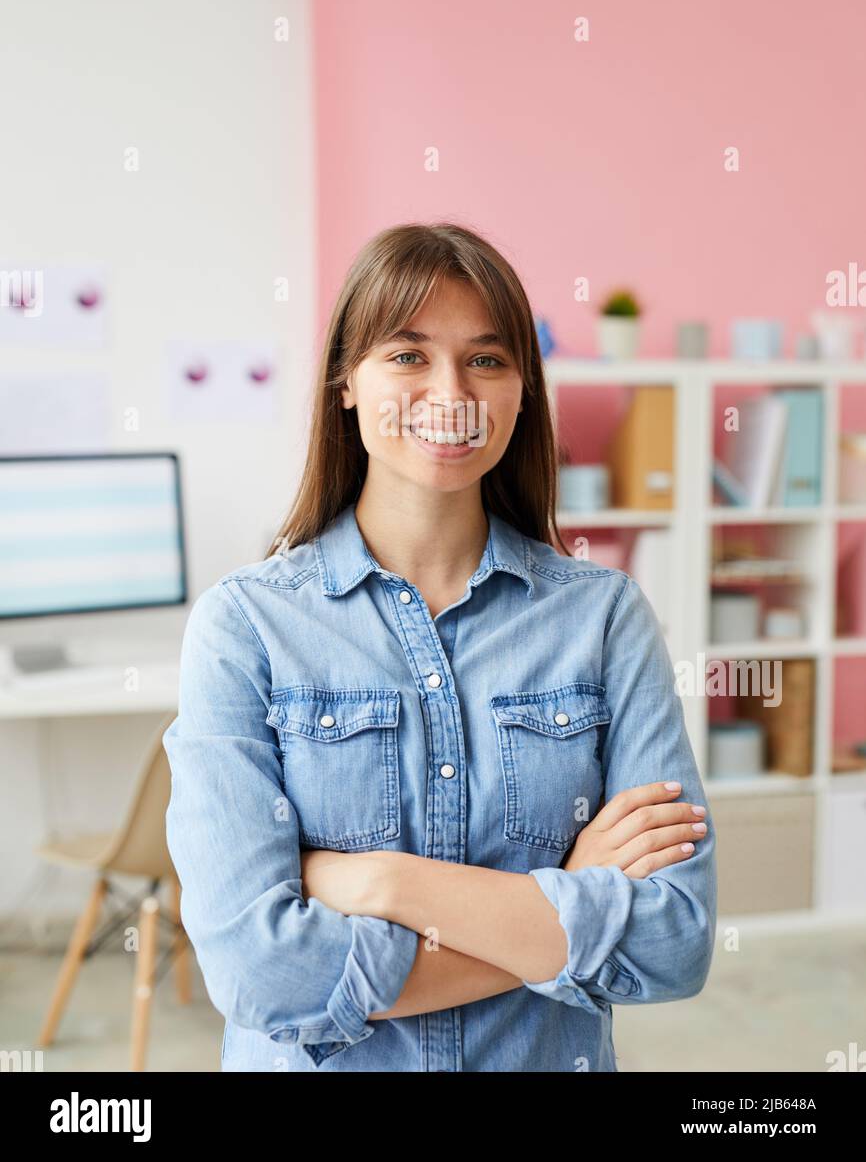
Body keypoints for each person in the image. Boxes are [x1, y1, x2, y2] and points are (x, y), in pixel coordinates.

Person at [163, 221, 716, 1072]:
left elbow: (674, 942)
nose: (451, 391)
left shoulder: (604, 620)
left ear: (523, 392)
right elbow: (259, 973)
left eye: (487, 361)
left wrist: (379, 884)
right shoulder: (246, 627)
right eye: (409, 356)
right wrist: (558, 907)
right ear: (347, 382)